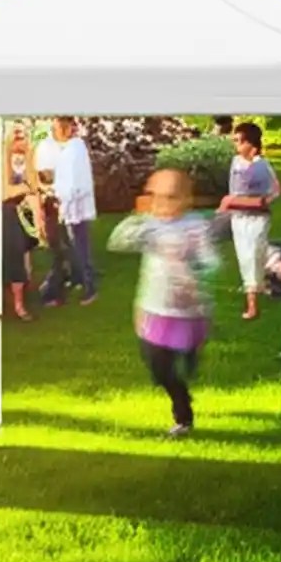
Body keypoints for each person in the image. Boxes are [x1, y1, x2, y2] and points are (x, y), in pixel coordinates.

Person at [108, 169, 219, 438]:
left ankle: (183, 417)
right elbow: (116, 242)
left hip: (187, 310)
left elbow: (211, 261)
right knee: (158, 367)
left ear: (185, 200)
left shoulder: (194, 226)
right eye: (154, 196)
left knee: (182, 355)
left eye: (169, 197)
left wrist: (194, 270)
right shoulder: (149, 224)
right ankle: (182, 399)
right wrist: (137, 217)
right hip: (154, 306)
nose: (161, 203)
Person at [220, 121, 280, 320]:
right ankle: (254, 296)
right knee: (245, 257)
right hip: (239, 218)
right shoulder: (236, 162)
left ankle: (258, 295)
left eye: (239, 141)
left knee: (254, 254)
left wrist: (259, 201)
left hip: (257, 219)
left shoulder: (262, 166)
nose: (236, 145)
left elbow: (275, 190)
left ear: (251, 144)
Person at [51, 117, 98, 305]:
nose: (55, 133)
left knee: (81, 246)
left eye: (58, 128)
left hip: (74, 204)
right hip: (71, 203)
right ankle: (79, 278)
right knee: (74, 245)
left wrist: (60, 197)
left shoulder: (74, 150)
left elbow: (72, 181)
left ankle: (90, 287)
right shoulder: (71, 149)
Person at [1, 124, 41, 320]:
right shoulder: (2, 160)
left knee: (24, 256)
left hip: (21, 212)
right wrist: (6, 152)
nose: (21, 140)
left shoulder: (24, 160)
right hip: (5, 212)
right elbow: (6, 191)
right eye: (16, 136)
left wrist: (30, 157)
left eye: (23, 136)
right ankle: (18, 304)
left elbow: (33, 186)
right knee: (14, 257)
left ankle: (21, 298)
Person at [34, 120, 74, 305]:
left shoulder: (71, 147)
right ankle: (50, 292)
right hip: (53, 202)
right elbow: (44, 176)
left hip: (68, 202)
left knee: (66, 246)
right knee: (58, 248)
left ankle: (62, 282)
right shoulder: (47, 148)